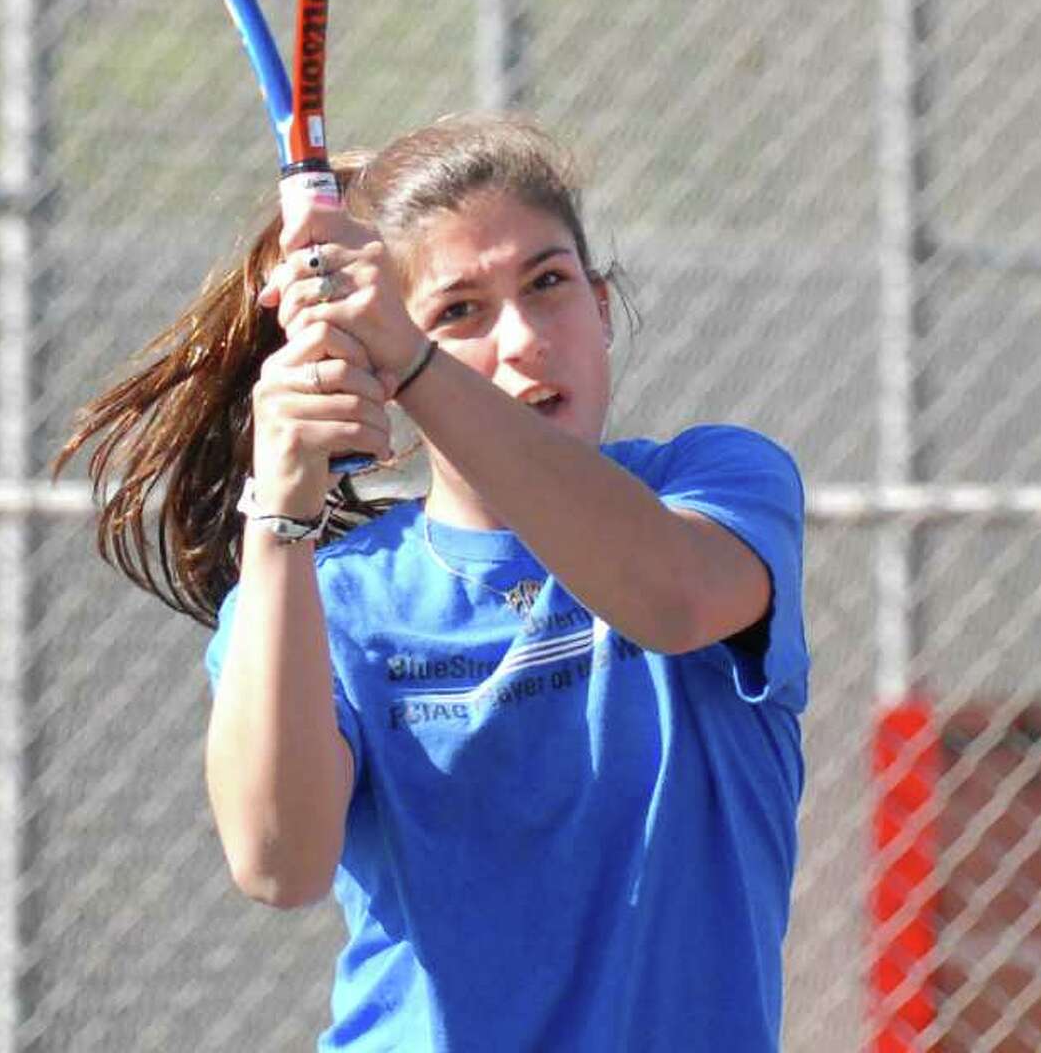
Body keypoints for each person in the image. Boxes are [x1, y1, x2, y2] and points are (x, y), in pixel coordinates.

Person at [58, 112, 808, 1051]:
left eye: (549, 284)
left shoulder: (715, 486)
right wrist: (279, 517)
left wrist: (416, 359)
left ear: (604, 307)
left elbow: (674, 600)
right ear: (374, 366)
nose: (526, 339)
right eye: (460, 312)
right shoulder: (331, 602)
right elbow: (278, 860)